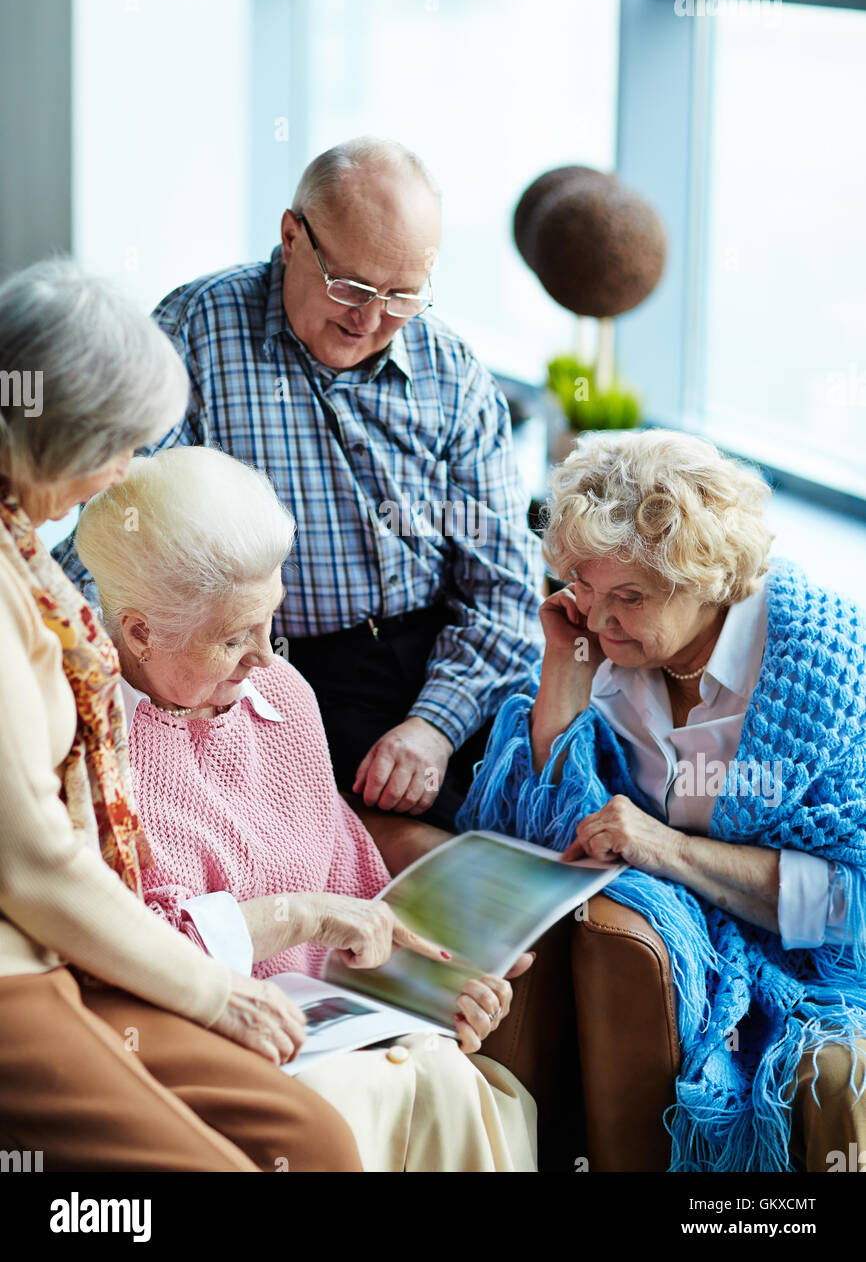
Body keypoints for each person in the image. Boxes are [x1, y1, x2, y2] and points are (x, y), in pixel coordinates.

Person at [53, 137, 544, 826]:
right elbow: (112, 523)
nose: (370, 320)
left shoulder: (452, 373)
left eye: (401, 296)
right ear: (291, 236)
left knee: (540, 830)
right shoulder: (194, 332)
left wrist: (435, 724)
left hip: (447, 658)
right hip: (282, 667)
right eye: (350, 286)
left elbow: (508, 589)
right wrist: (33, 618)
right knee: (412, 849)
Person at [75, 443, 538, 1172]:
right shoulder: (88, 743)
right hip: (197, 1054)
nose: (267, 656)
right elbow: (125, 953)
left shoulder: (283, 695)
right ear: (139, 632)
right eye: (232, 637)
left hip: (327, 1034)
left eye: (270, 621)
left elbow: (351, 892)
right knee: (409, 1090)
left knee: (443, 1070)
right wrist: (300, 916)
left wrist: (431, 986)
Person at [0, 257, 366, 1172]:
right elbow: (37, 864)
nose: (124, 474)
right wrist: (211, 992)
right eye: (116, 447)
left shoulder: (24, 550)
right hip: (28, 965)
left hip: (65, 949)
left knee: (311, 1139)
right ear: (56, 437)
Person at [457, 428, 866, 1172]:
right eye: (583, 585)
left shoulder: (829, 670)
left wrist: (666, 848)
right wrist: (563, 674)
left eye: (629, 598)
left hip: (821, 964)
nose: (599, 621)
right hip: (696, 943)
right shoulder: (601, 649)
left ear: (706, 577)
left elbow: (852, 901)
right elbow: (527, 838)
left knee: (831, 1075)